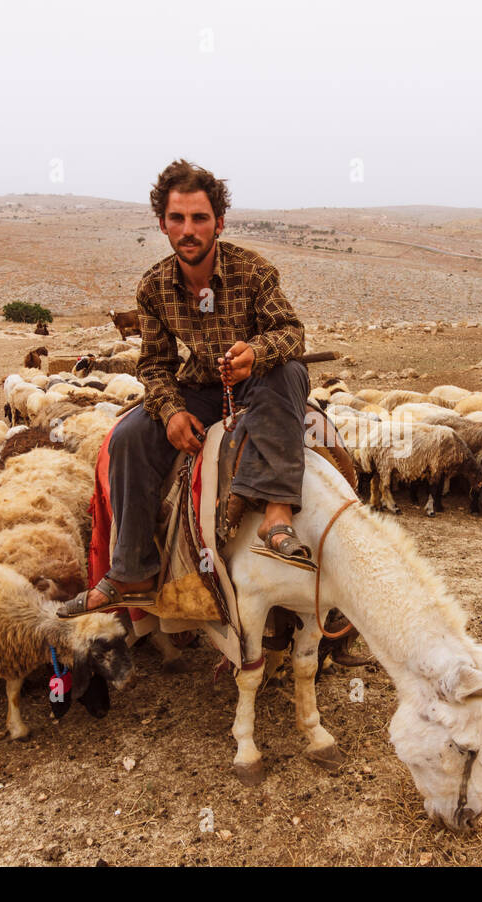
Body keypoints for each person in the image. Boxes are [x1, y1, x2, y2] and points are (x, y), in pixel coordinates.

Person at [59, 159, 312, 618]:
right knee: (129, 436)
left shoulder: (253, 272)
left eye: (199, 218)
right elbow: (155, 363)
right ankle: (132, 571)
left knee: (287, 372)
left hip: (261, 381)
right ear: (162, 224)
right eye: (178, 218)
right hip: (200, 386)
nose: (188, 229)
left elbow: (292, 334)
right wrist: (173, 410)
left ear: (219, 222)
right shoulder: (154, 287)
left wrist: (256, 353)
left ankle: (277, 513)